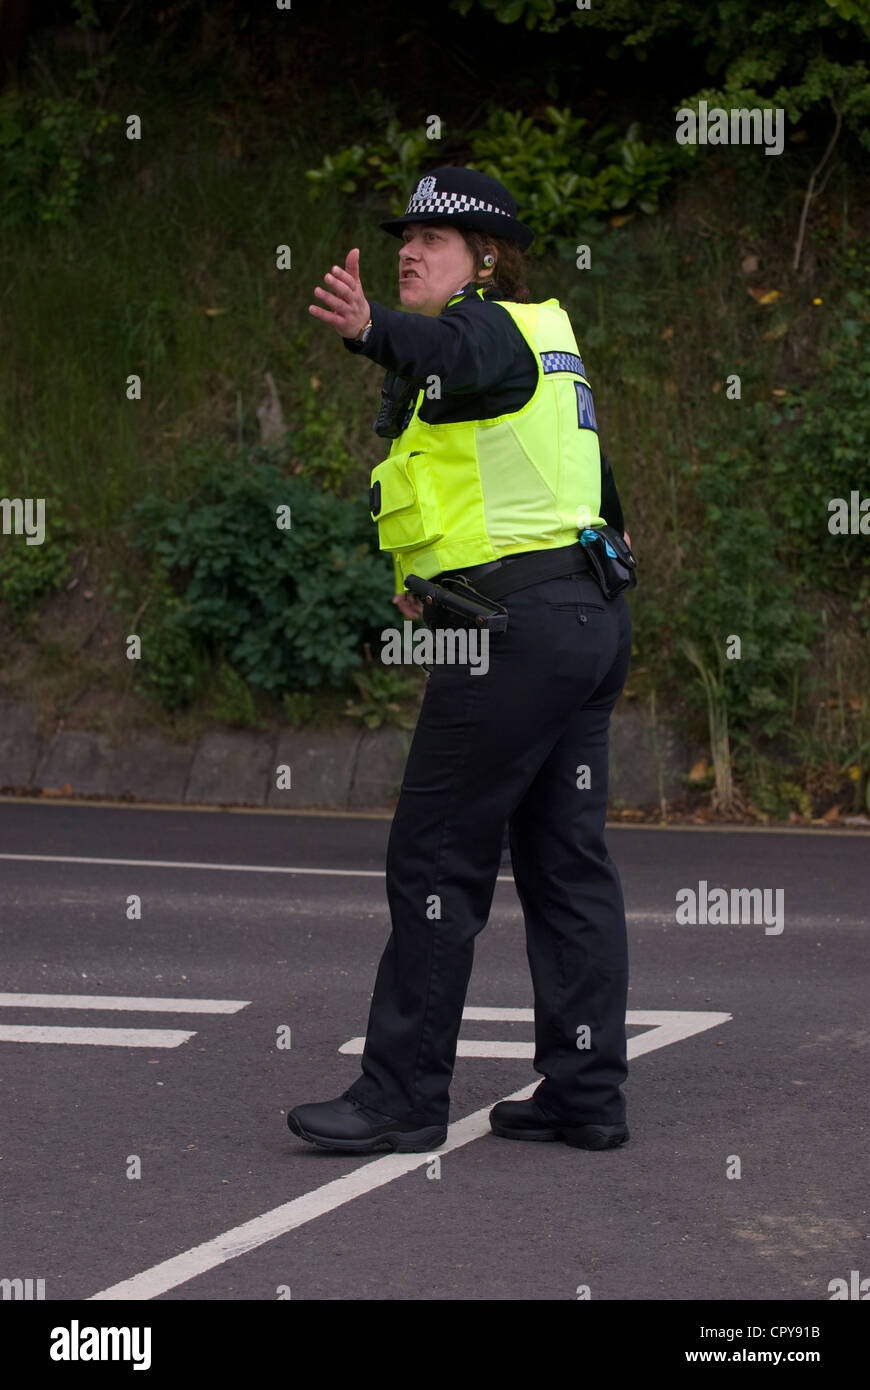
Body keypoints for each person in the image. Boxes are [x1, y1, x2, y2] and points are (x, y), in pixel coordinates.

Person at [288, 167, 634, 1155]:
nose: (411, 249)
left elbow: (442, 342)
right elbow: (585, 496)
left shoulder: (484, 327)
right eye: (406, 234)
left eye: (436, 238)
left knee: (437, 859)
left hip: (516, 638)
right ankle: (585, 1092)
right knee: (567, 868)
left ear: (487, 260)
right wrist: (434, 581)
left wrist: (367, 330)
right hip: (579, 617)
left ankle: (399, 1097)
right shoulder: (543, 346)